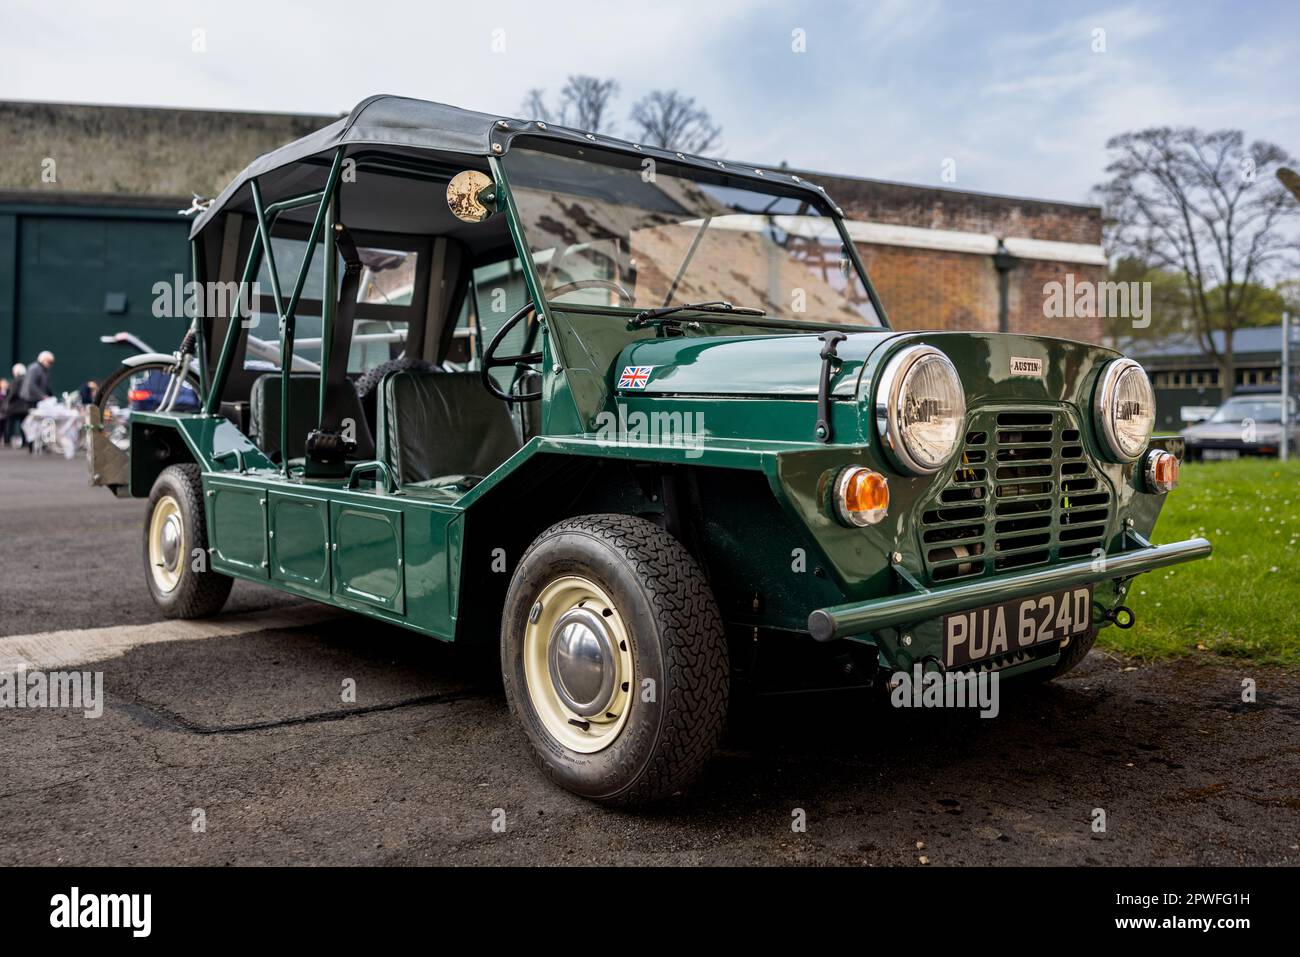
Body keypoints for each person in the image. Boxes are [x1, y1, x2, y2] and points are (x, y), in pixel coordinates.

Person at [18, 352, 54, 454]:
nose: (51, 364)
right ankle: (30, 444)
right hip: (31, 400)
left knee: (42, 422)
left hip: (38, 400)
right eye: (49, 361)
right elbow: (31, 385)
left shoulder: (43, 370)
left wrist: (49, 395)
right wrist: (43, 396)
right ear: (43, 360)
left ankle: (41, 444)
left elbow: (45, 386)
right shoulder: (35, 368)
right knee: (31, 422)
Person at [5, 363, 29, 448]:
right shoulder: (27, 379)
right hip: (25, 406)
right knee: (24, 424)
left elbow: (13, 393)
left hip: (15, 406)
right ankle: (25, 441)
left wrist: (8, 401)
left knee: (10, 423)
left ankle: (7, 440)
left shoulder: (17, 380)